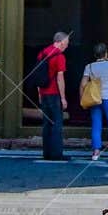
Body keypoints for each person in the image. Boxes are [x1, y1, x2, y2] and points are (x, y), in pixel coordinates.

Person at [37, 30, 69, 161]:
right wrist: (63, 97)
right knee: (57, 124)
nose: (67, 46)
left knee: (46, 124)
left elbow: (38, 76)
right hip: (54, 93)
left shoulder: (42, 54)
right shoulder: (59, 56)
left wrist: (39, 93)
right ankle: (57, 154)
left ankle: (47, 153)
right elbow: (60, 78)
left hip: (44, 93)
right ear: (60, 42)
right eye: (66, 43)